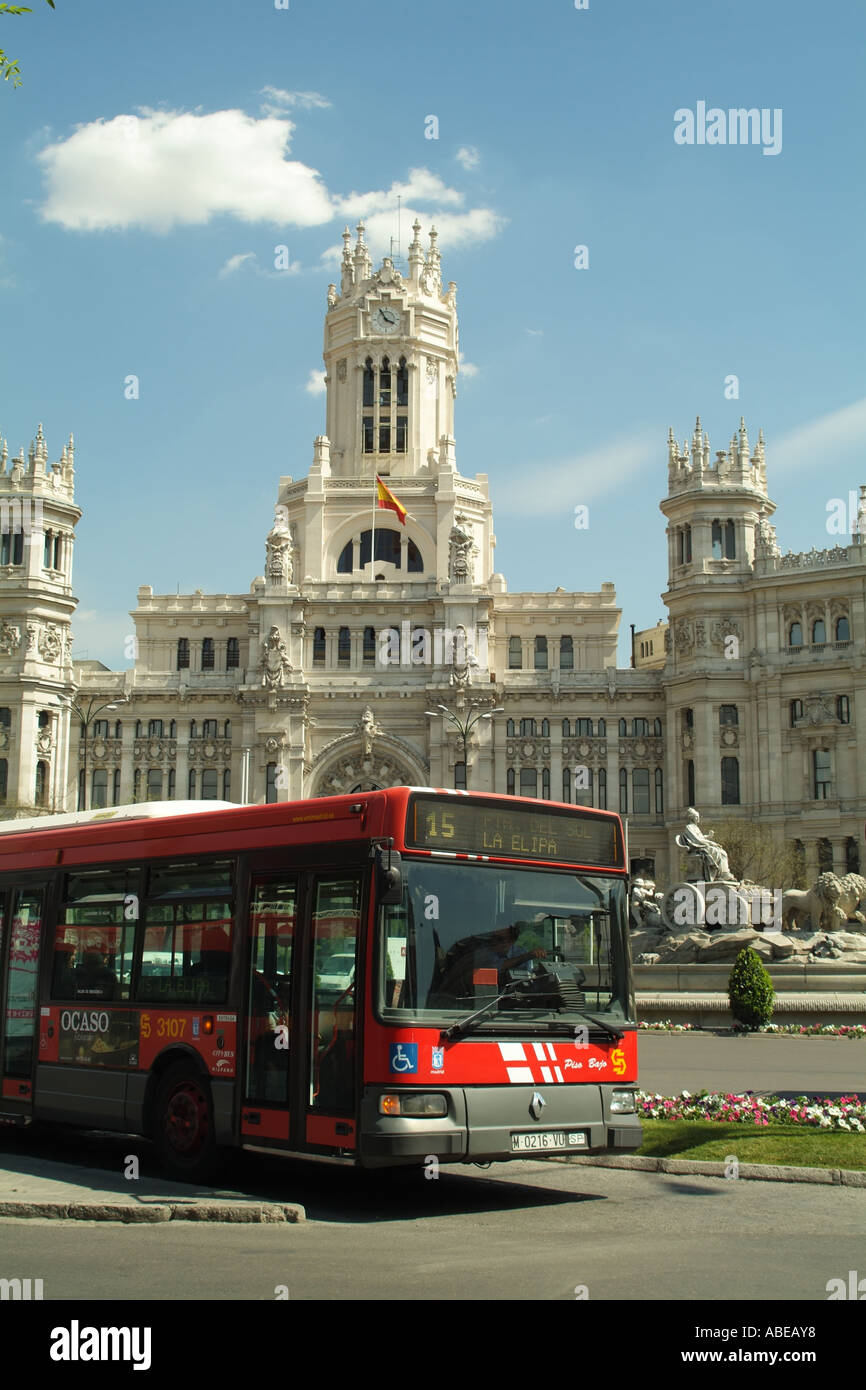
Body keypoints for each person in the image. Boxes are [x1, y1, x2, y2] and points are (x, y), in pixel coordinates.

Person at [475, 922, 547, 985]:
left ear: (512, 940)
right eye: (493, 937)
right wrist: (525, 957)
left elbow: (528, 980)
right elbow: (493, 968)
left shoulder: (521, 952)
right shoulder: (484, 951)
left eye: (500, 939)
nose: (494, 941)